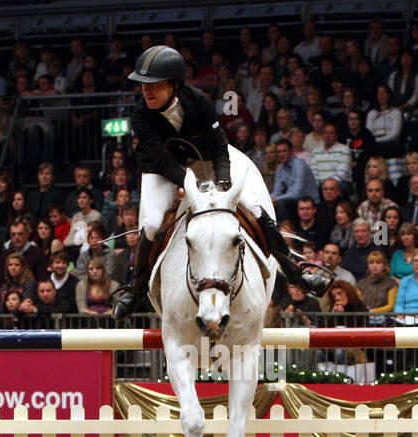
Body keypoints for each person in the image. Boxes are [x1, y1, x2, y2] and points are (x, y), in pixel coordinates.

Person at [112, 45, 328, 320]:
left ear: (174, 84)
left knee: (253, 208)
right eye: (143, 86)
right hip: (161, 170)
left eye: (154, 85)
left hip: (205, 161)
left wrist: (224, 179)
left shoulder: (199, 101)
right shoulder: (141, 115)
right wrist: (189, 184)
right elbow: (162, 160)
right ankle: (136, 288)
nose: (147, 92)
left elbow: (219, 146)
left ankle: (297, 273)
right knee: (154, 224)